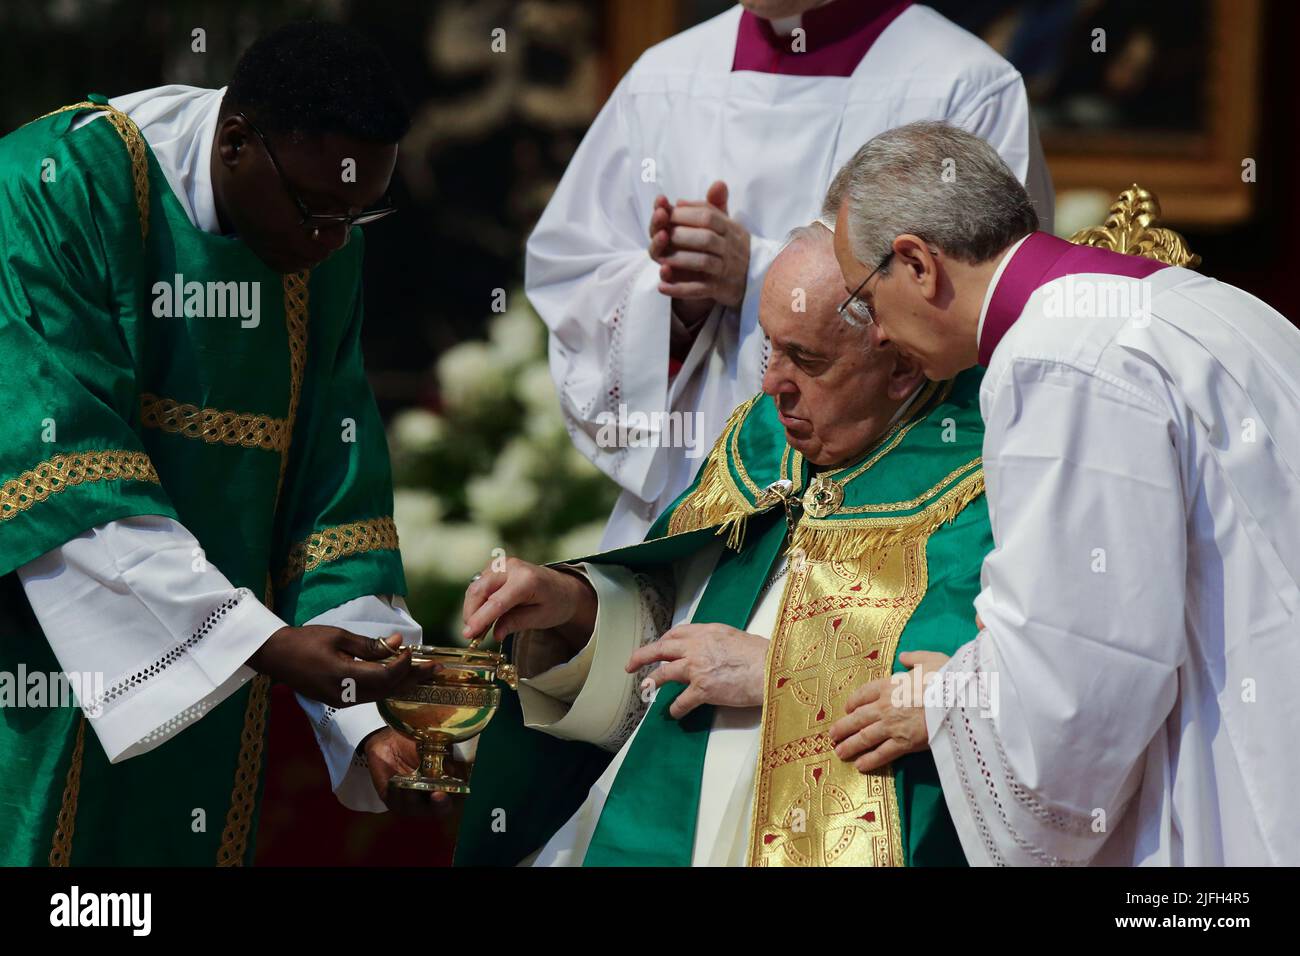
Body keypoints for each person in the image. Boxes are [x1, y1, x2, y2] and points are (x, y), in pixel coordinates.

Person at [0, 22, 428, 866]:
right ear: (236, 141)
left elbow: (333, 496)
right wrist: (267, 646)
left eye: (359, 213)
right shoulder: (51, 188)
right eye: (318, 211)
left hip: (215, 684)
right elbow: (56, 470)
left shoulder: (318, 241)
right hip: (31, 667)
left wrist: (367, 716)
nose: (333, 242)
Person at [828, 120, 1300, 865]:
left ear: (917, 263)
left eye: (863, 298)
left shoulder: (1058, 359)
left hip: (1241, 790)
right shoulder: (1205, 301)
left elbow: (1085, 673)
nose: (877, 335)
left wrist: (952, 703)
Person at [454, 220, 992, 866]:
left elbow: (996, 697)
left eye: (808, 360)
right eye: (771, 349)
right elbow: (673, 644)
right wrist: (572, 611)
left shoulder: (984, 481)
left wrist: (777, 674)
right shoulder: (763, 444)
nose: (772, 386)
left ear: (902, 364)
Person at [527, 0, 1054, 549]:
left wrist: (754, 273)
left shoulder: (965, 83)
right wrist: (671, 300)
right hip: (690, 491)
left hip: (876, 526)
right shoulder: (665, 76)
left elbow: (976, 306)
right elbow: (571, 273)